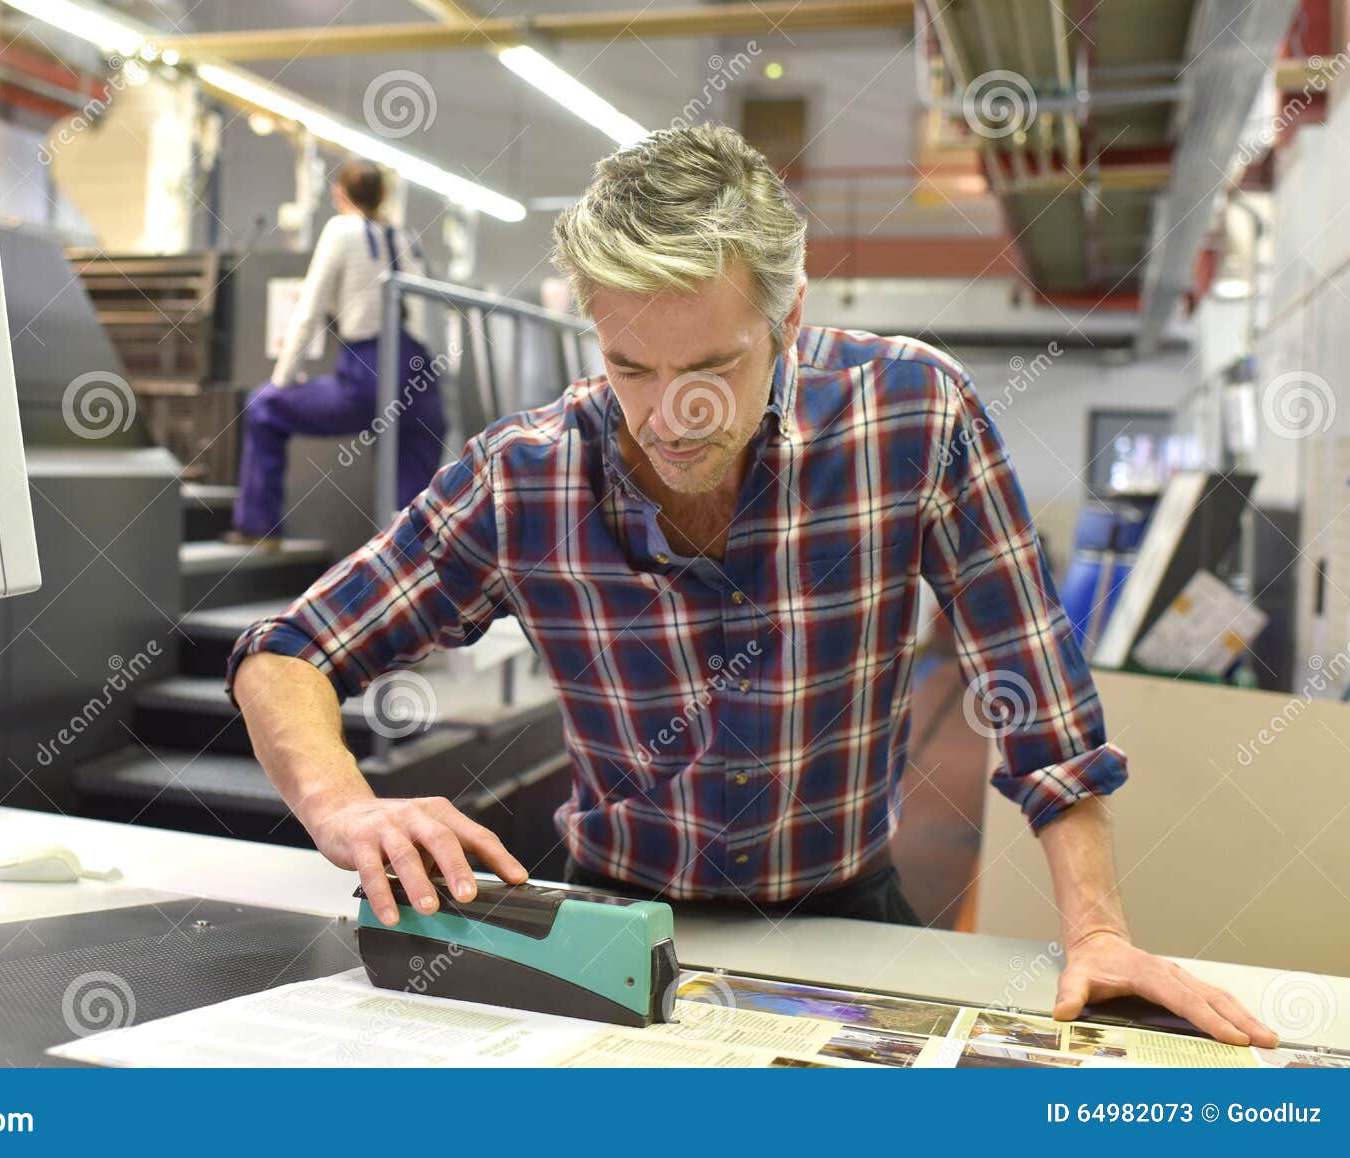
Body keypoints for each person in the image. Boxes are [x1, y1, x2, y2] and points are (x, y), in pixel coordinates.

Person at [227, 124, 1278, 1048]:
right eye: (630, 368)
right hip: (608, 915)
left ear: (790, 320)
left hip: (845, 906)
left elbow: (1032, 683)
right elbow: (287, 652)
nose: (669, 414)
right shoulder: (524, 475)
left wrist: (1096, 929)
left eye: (714, 367)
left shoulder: (910, 415)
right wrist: (341, 804)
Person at [227, 160, 446, 547]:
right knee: (412, 503)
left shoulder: (342, 230)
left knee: (263, 405)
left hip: (369, 371)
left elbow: (309, 309)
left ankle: (259, 528)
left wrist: (283, 379)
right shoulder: (407, 234)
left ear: (340, 194)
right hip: (420, 376)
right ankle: (415, 569)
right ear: (383, 195)